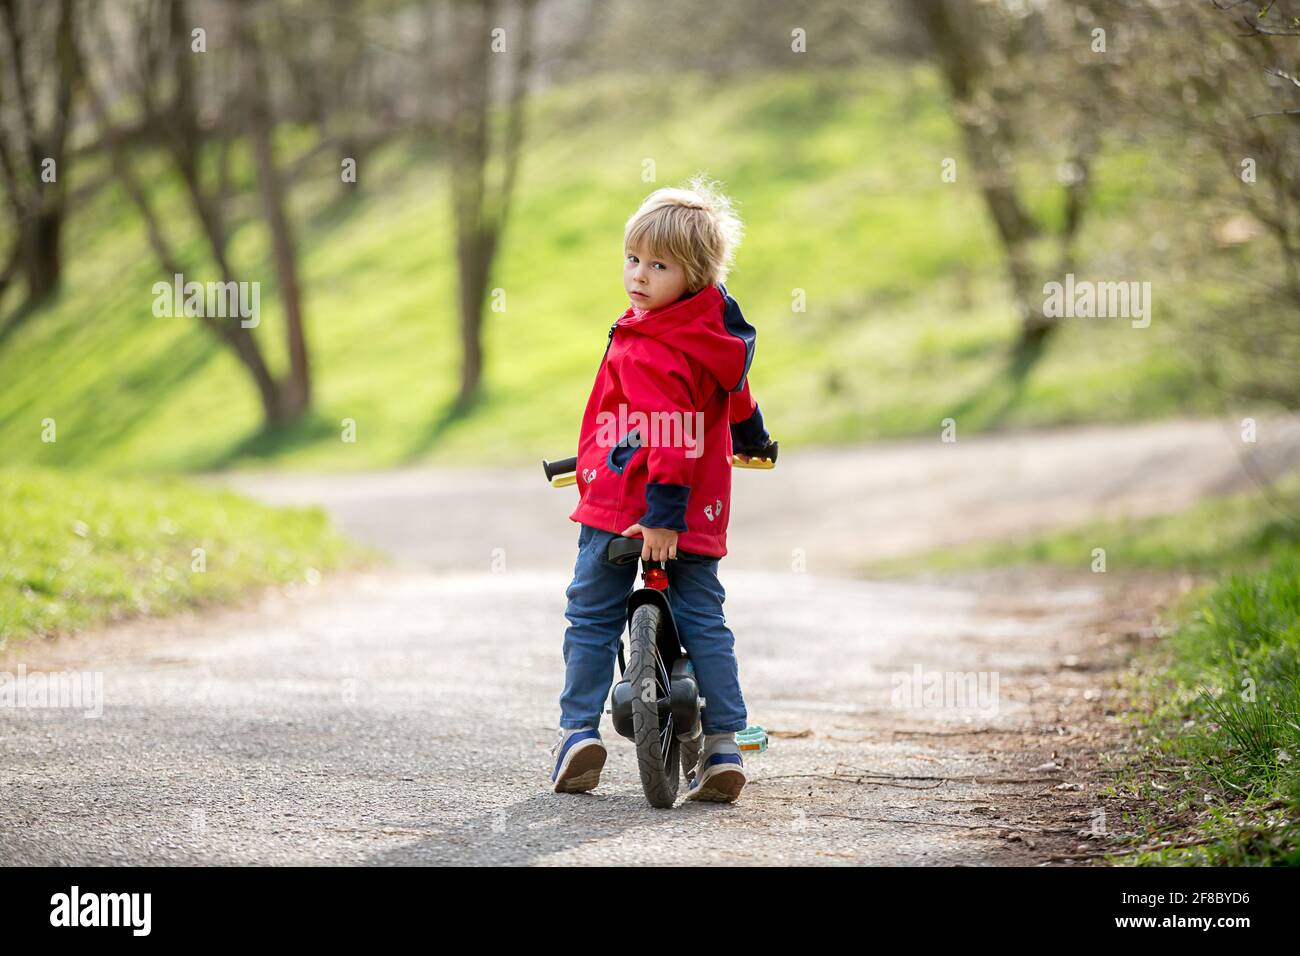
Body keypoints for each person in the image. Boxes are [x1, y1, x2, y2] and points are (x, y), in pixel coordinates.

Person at [550, 175, 774, 803]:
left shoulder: (650, 343)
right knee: (705, 620)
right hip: (699, 513)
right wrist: (752, 438)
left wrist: (660, 515)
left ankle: (576, 733)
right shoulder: (719, 333)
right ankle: (725, 742)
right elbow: (735, 393)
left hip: (628, 506)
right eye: (632, 259)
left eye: (658, 265)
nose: (638, 276)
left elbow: (669, 437)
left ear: (695, 275)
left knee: (591, 612)